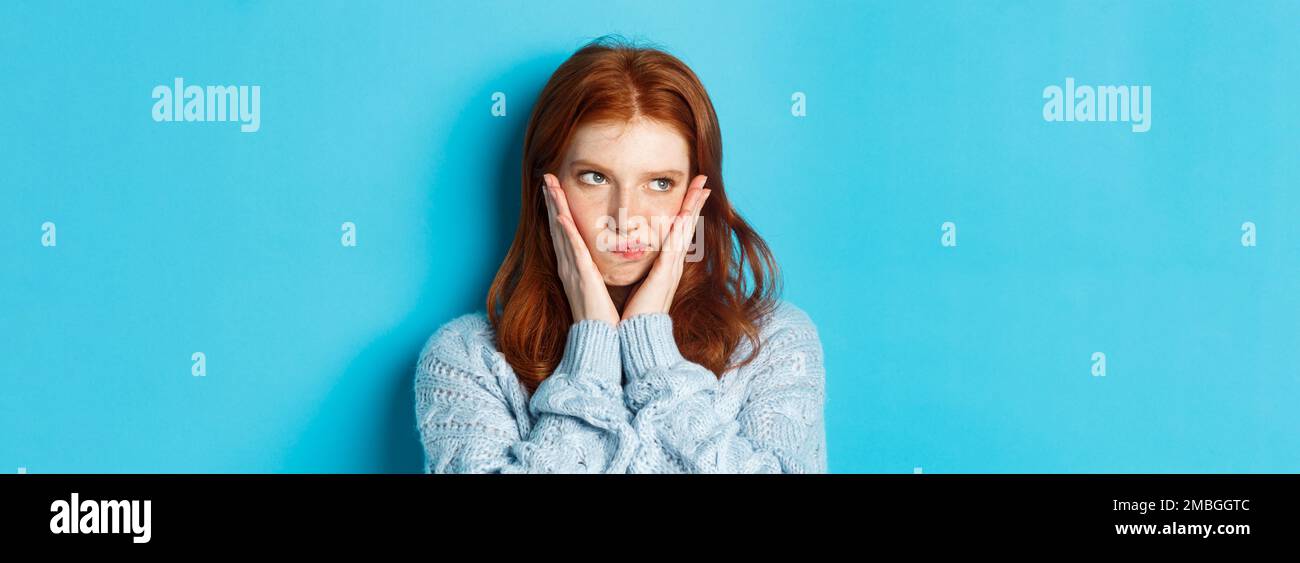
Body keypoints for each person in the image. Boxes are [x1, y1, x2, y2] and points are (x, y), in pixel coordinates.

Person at [413, 35, 827, 473]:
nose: (626, 218)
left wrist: (654, 357)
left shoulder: (772, 344)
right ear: (546, 188)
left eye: (660, 183)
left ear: (697, 194)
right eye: (595, 177)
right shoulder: (468, 360)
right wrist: (589, 359)